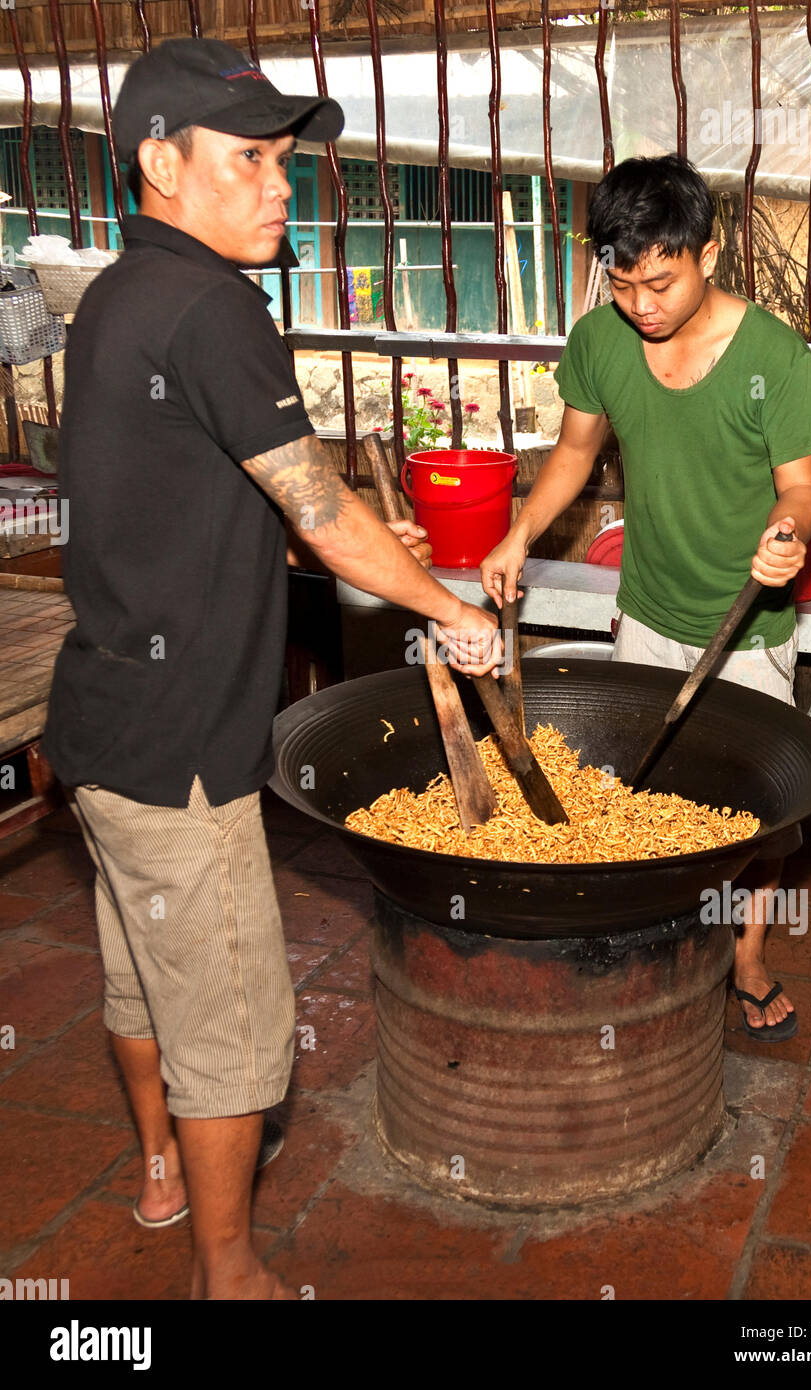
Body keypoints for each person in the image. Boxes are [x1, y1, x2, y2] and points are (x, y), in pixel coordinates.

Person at [42, 37, 500, 1301]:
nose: (277, 186)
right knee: (236, 1038)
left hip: (101, 727)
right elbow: (315, 505)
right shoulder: (217, 308)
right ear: (159, 161)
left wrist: (350, 540)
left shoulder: (121, 299)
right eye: (248, 159)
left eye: (284, 162)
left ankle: (157, 1173)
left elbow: (207, 499)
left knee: (141, 971)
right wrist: (445, 605)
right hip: (187, 749)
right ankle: (227, 1270)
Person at [481, 153, 811, 1044]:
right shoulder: (601, 341)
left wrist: (785, 537)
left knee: (754, 814)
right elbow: (572, 454)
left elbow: (800, 486)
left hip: (746, 625)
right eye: (622, 279)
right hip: (646, 610)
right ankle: (659, 938)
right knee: (648, 791)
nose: (640, 303)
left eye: (661, 281)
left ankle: (748, 960)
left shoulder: (770, 354)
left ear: (706, 255)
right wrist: (518, 534)